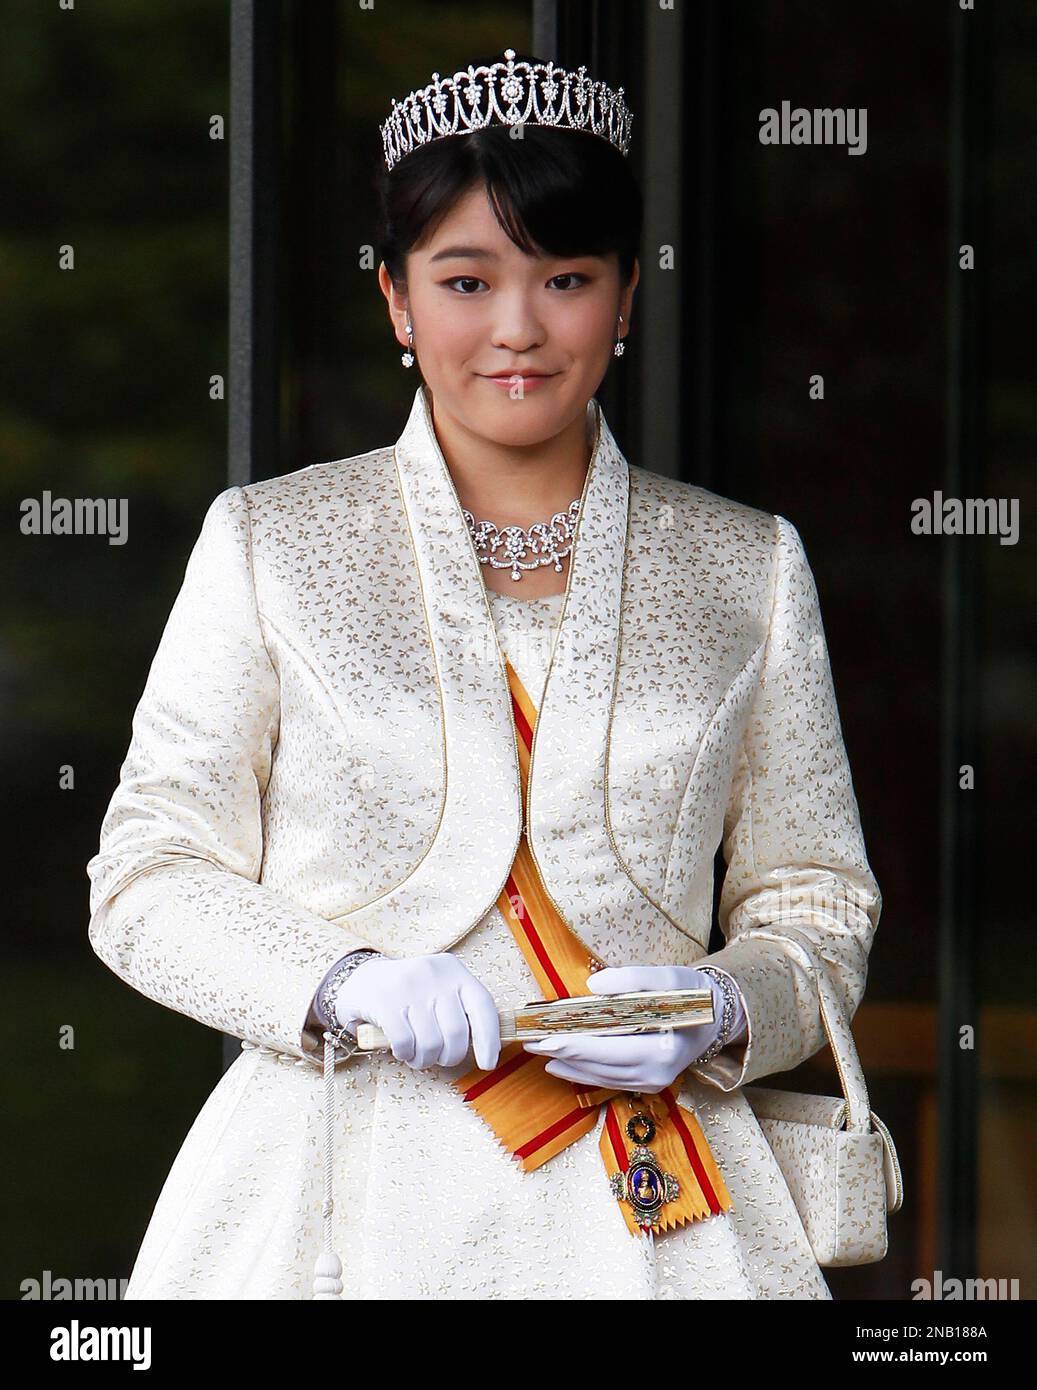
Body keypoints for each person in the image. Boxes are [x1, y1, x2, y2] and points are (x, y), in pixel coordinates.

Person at [86, 47, 881, 1300]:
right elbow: (143, 878)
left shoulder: (746, 567)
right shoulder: (272, 544)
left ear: (623, 297)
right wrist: (341, 984)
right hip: (334, 1188)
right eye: (467, 279)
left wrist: (722, 1006)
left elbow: (819, 907)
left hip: (657, 1208)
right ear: (399, 302)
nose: (517, 328)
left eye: (564, 279)